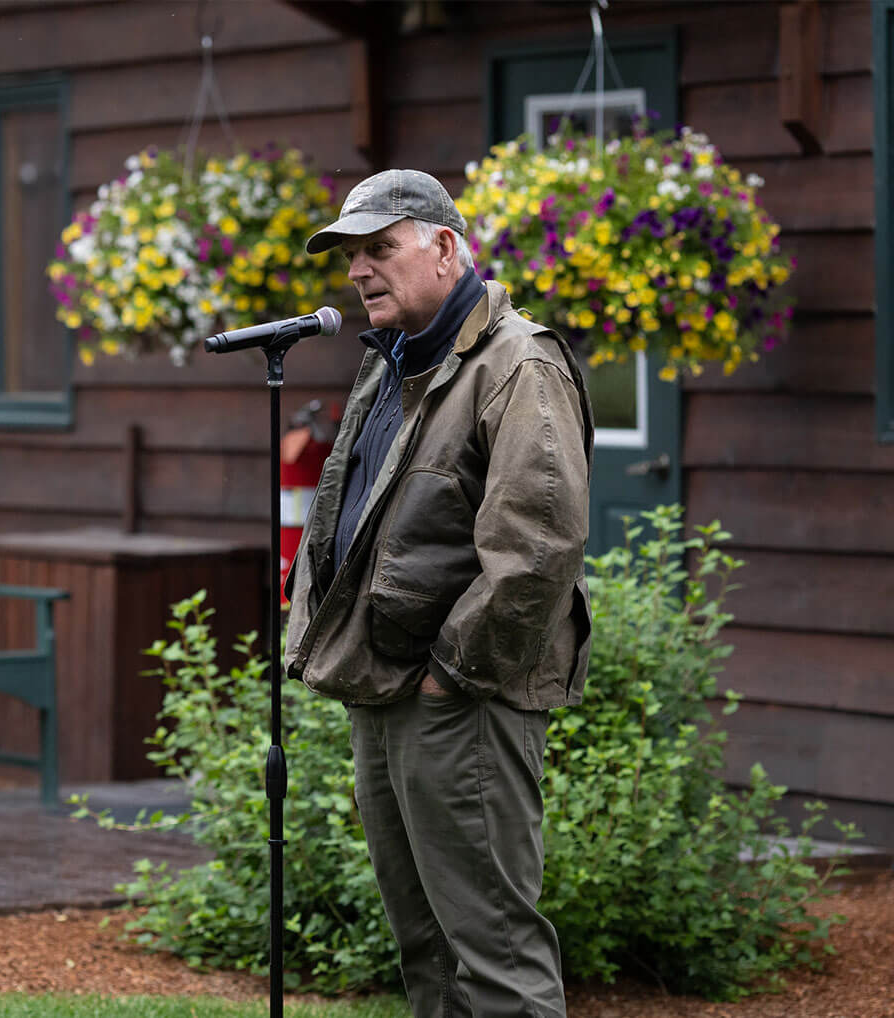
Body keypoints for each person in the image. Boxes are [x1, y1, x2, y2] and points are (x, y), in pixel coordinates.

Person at [282, 168, 594, 1018]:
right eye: (351, 256)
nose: (358, 271)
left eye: (380, 249)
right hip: (387, 688)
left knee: (492, 948)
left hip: (463, 696)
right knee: (425, 948)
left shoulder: (519, 364)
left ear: (445, 247)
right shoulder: (392, 361)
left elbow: (537, 547)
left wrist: (449, 676)